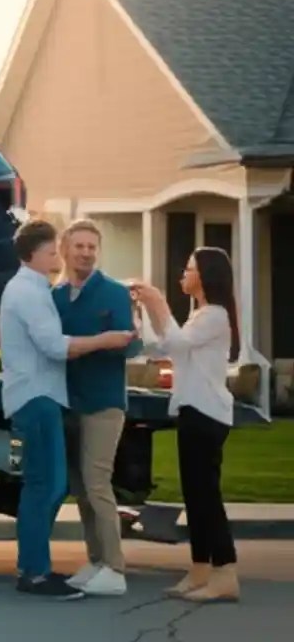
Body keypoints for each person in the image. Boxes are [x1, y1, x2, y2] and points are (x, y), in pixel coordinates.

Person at [0, 219, 136, 599]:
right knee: (53, 485)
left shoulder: (105, 292)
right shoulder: (38, 293)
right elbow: (56, 346)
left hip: (93, 403)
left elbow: (129, 343)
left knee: (81, 484)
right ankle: (38, 572)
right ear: (39, 253)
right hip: (45, 399)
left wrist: (116, 340)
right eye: (65, 248)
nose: (74, 254)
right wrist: (103, 339)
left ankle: (107, 566)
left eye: (91, 246)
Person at [130, 247, 240, 603]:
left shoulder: (215, 315)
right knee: (195, 496)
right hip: (194, 411)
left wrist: (158, 301)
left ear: (205, 275)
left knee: (207, 497)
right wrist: (148, 308)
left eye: (189, 268)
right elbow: (165, 346)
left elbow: (175, 341)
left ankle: (226, 574)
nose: (183, 273)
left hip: (207, 414)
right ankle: (200, 570)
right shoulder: (200, 315)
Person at [52, 219, 142, 596]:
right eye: (80, 246)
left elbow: (132, 346)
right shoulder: (54, 297)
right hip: (68, 403)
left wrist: (108, 340)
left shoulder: (114, 294)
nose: (86, 252)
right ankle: (96, 560)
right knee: (81, 489)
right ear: (65, 250)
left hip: (104, 403)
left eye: (92, 247)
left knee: (97, 482)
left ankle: (115, 568)